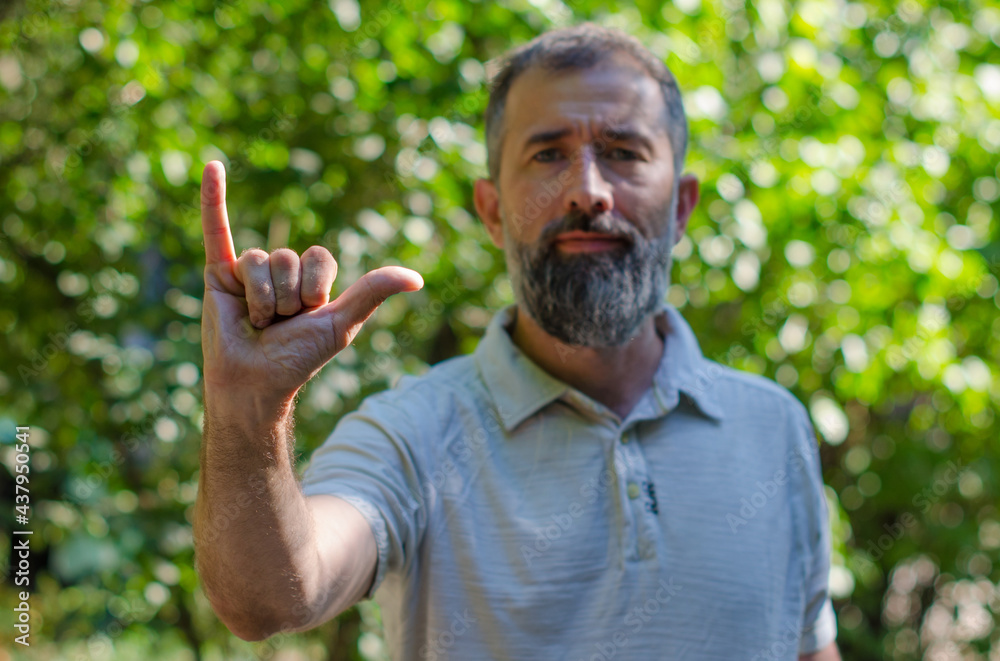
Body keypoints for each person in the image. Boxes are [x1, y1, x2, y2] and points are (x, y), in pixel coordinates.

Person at [194, 23, 842, 661]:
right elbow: (271, 597)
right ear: (493, 210)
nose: (588, 190)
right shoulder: (415, 433)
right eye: (548, 154)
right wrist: (247, 410)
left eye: (624, 151)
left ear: (680, 206)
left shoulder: (774, 426)